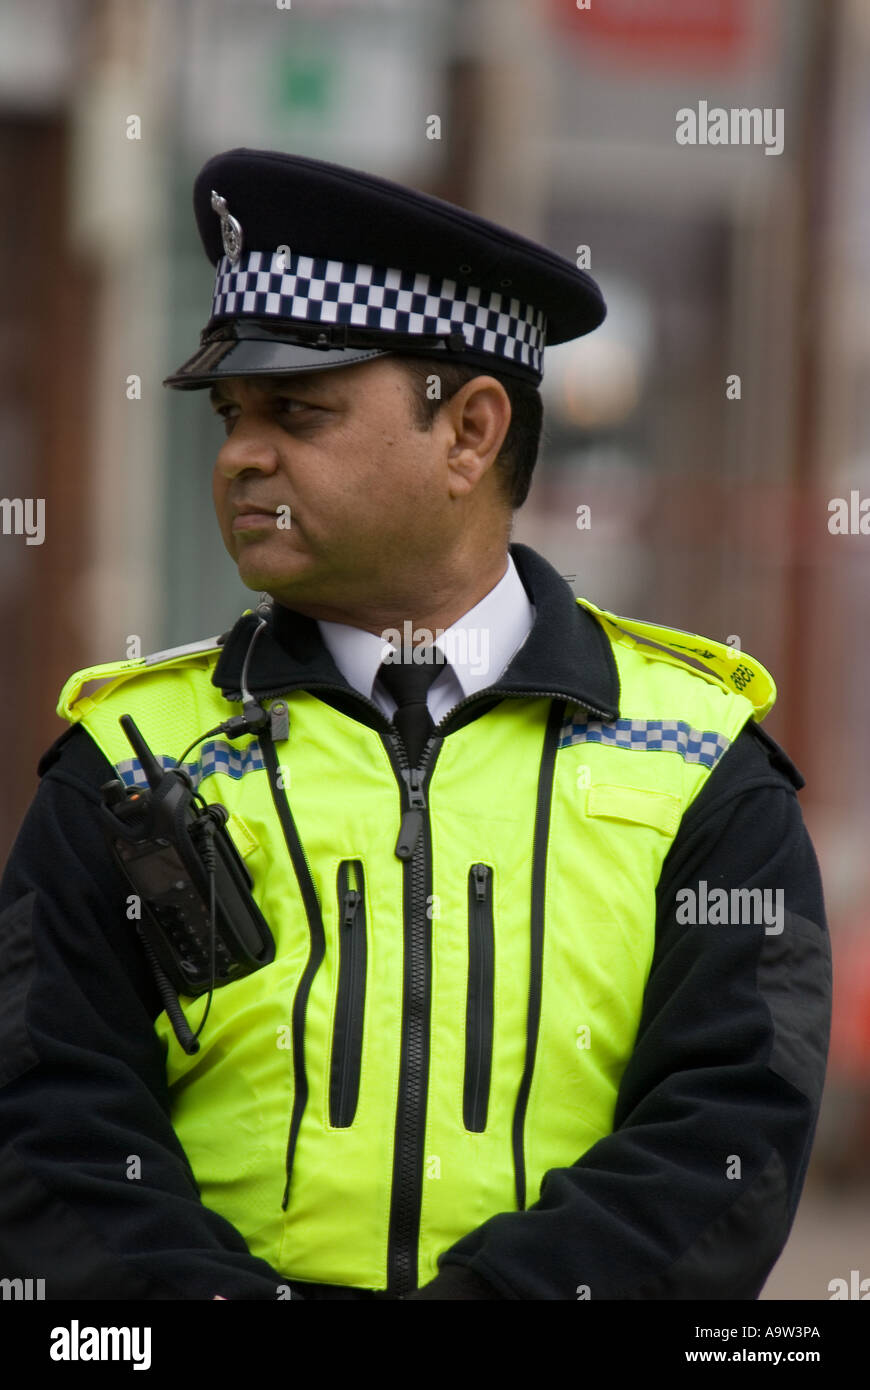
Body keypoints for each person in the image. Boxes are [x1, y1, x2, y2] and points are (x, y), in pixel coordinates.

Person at [0, 148, 831, 1301]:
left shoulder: (705, 771)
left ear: (471, 432)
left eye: (297, 408)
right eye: (234, 412)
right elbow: (47, 1130)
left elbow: (727, 1145)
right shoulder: (122, 758)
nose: (241, 453)